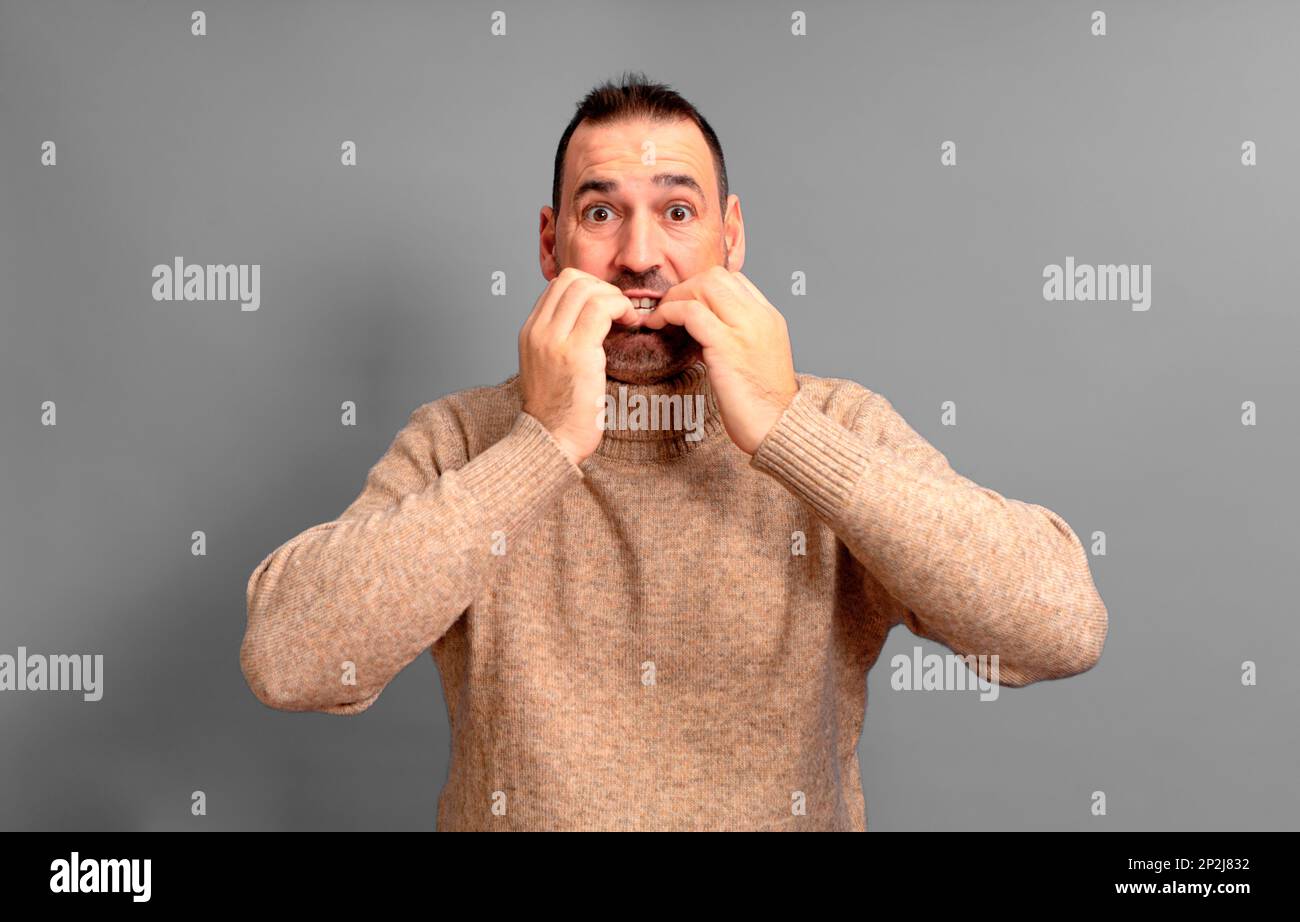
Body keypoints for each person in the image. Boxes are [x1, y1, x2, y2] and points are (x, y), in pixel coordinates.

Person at [240, 71, 1108, 831]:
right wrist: (538, 449)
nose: (640, 256)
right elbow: (289, 660)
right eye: (602, 212)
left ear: (731, 236)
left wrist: (786, 432)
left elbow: (1059, 628)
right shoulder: (463, 438)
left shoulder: (835, 424)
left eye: (678, 211)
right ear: (551, 245)